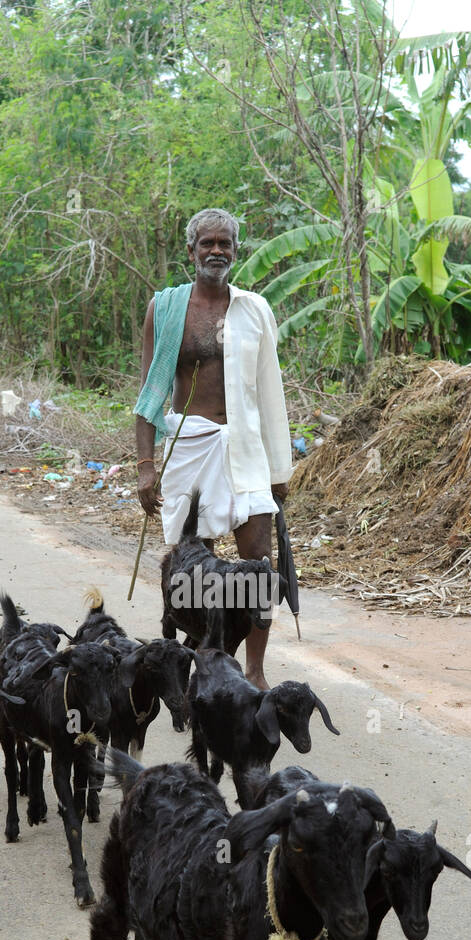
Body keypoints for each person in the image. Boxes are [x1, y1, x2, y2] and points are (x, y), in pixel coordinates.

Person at [135, 207, 292, 689]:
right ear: (191, 250)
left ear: (235, 251)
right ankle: (205, 653)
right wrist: (145, 465)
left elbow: (271, 393)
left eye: (225, 243)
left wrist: (279, 470)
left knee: (259, 561)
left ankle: (255, 670)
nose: (217, 251)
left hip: (245, 446)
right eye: (208, 243)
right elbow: (148, 394)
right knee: (193, 564)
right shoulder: (164, 310)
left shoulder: (254, 309)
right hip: (189, 445)